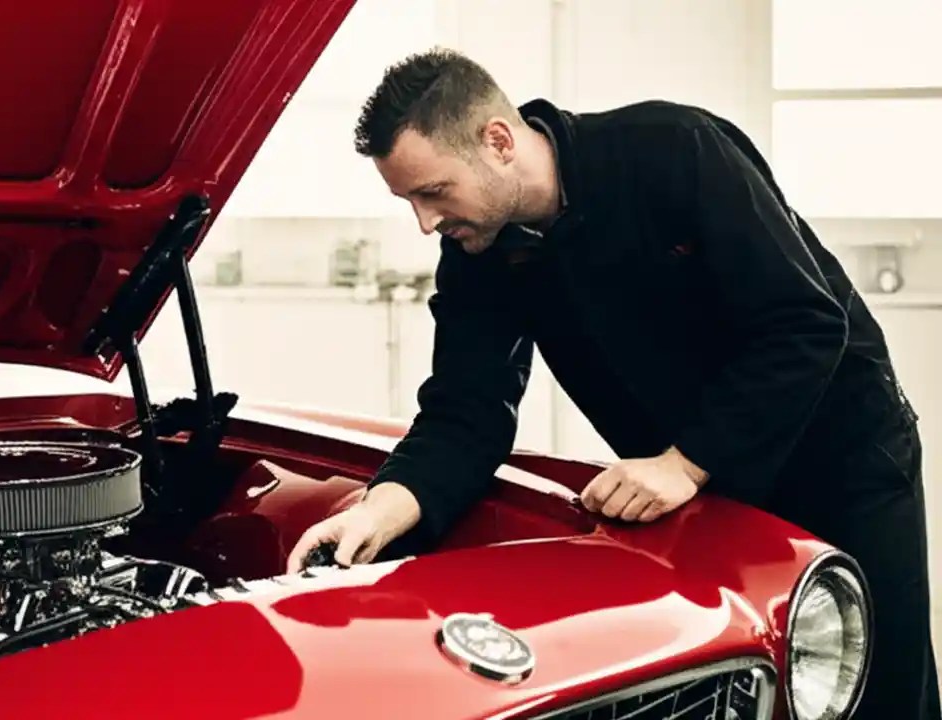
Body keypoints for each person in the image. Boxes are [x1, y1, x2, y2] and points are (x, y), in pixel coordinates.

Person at [284, 48, 939, 718]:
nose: (426, 223)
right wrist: (381, 507)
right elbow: (466, 408)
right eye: (409, 202)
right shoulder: (479, 254)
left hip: (845, 456)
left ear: (499, 142)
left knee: (875, 691)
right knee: (755, 691)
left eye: (433, 192)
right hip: (710, 487)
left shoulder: (676, 151)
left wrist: (685, 463)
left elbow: (805, 323)